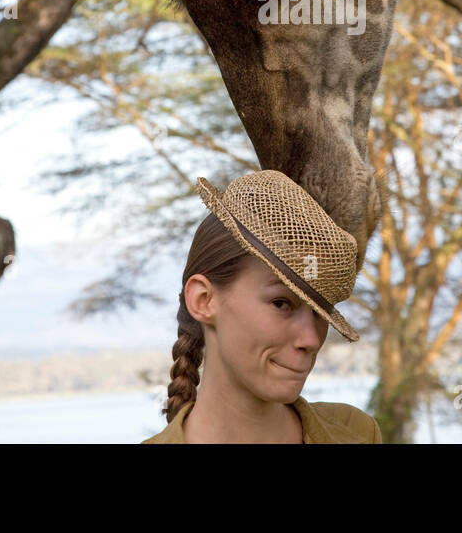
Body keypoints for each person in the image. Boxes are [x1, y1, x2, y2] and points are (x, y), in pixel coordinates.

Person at [143, 169, 381, 443]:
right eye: (281, 303)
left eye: (320, 311)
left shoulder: (356, 432)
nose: (312, 339)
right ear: (203, 300)